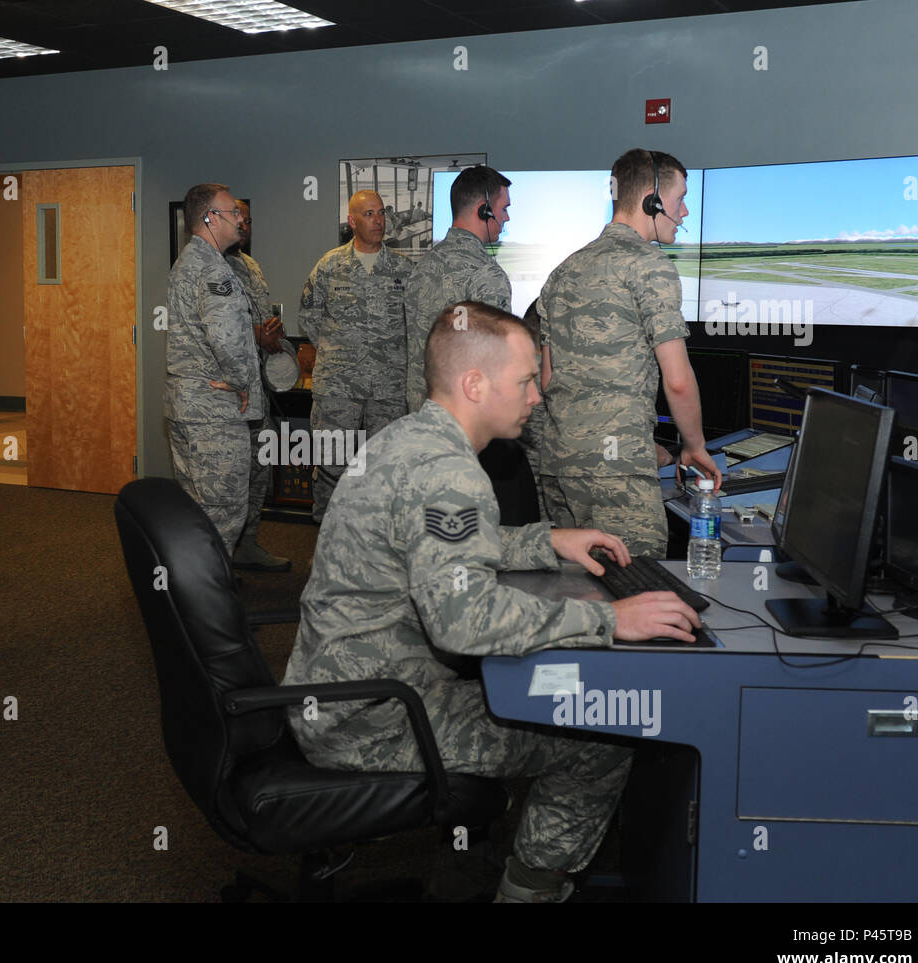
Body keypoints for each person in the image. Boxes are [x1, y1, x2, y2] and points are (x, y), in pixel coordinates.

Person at [283, 301, 701, 902]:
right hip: (373, 718)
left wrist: (544, 540)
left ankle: (483, 865)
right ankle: (527, 891)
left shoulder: (408, 439)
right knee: (600, 738)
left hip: (336, 691)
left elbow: (432, 545)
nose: (537, 396)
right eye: (527, 380)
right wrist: (609, 618)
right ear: (475, 384)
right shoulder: (449, 472)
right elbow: (463, 622)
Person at [537, 149, 722, 557]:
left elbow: (549, 380)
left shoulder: (563, 270)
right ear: (653, 200)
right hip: (614, 474)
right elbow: (676, 378)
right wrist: (693, 445)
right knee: (639, 589)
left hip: (557, 465)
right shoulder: (650, 266)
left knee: (579, 591)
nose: (686, 210)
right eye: (681, 198)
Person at [298, 189, 413, 521]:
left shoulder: (403, 269)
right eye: (369, 214)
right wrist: (340, 352)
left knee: (384, 469)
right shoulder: (330, 265)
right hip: (338, 388)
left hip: (388, 389)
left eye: (381, 213)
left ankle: (376, 552)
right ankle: (327, 551)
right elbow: (308, 316)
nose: (378, 220)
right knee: (331, 465)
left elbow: (415, 322)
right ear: (352, 221)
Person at [165, 183, 263, 552]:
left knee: (198, 510)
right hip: (213, 415)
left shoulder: (188, 261)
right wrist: (241, 381)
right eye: (232, 213)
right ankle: (206, 599)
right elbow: (226, 337)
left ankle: (191, 592)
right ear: (210, 218)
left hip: (189, 407)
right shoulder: (212, 269)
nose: (240, 219)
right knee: (223, 513)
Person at [403, 165, 512, 414]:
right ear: (484, 210)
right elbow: (494, 362)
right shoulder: (488, 275)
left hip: (420, 416)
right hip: (465, 419)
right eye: (504, 208)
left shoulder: (420, 268)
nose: (506, 218)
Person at [224, 199, 289, 571]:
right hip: (225, 395)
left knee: (256, 470)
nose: (244, 225)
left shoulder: (250, 266)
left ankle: (247, 543)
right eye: (238, 218)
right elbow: (211, 331)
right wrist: (256, 334)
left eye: (249, 219)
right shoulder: (207, 266)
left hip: (256, 390)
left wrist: (271, 331)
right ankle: (220, 557)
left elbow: (261, 321)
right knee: (228, 477)